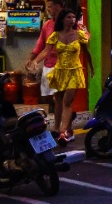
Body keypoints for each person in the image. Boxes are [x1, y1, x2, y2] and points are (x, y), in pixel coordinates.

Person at [30, 9, 90, 143]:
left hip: (74, 71)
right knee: (58, 101)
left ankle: (62, 132)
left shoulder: (80, 35)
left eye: (74, 17)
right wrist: (35, 61)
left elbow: (86, 52)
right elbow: (45, 51)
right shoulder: (55, 36)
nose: (72, 19)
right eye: (69, 17)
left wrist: (91, 67)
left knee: (67, 102)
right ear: (63, 19)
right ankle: (65, 128)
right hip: (60, 71)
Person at [25, 0, 65, 104]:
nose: (47, 9)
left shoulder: (67, 24)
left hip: (63, 66)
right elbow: (40, 45)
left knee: (59, 98)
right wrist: (31, 59)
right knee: (47, 97)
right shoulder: (47, 25)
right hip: (49, 65)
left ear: (58, 7)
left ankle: (63, 118)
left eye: (50, 7)